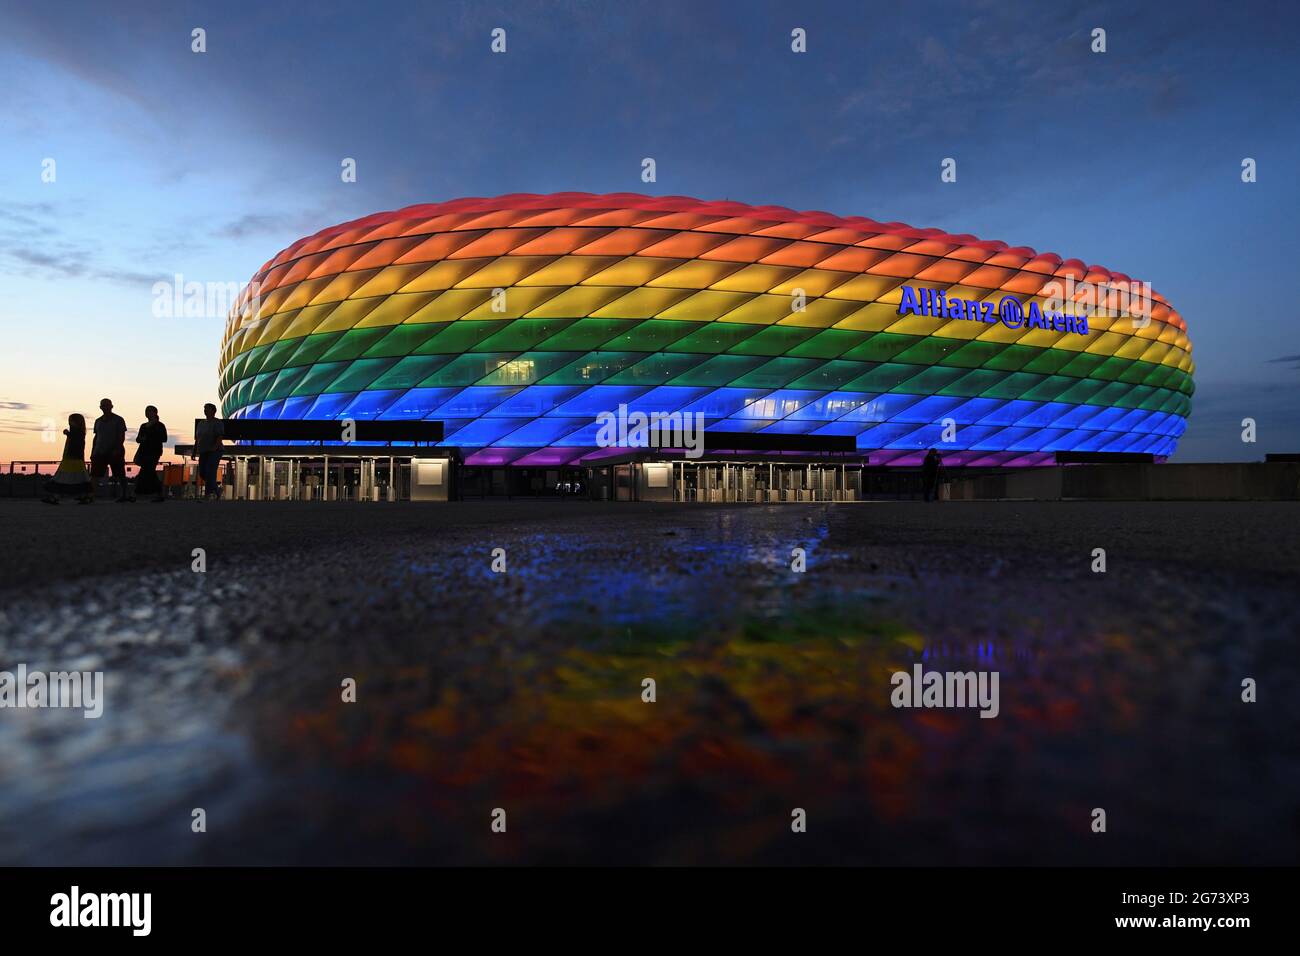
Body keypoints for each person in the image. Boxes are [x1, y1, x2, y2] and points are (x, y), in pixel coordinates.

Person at [42, 414, 93, 504]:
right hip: (74, 459)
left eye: (72, 420)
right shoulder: (79, 432)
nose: (70, 422)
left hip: (72, 459)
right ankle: (83, 496)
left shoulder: (77, 433)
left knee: (62, 478)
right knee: (78, 478)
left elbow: (75, 441)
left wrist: (68, 433)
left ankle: (55, 497)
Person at [91, 398, 128, 502]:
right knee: (94, 474)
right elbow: (96, 437)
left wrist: (117, 449)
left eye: (107, 405)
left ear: (111, 406)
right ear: (100, 407)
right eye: (103, 405)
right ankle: (91, 495)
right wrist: (93, 451)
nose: (105, 407)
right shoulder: (98, 421)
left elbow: (121, 436)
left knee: (120, 474)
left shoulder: (119, 420)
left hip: (115, 452)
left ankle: (124, 495)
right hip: (99, 451)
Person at [132, 406, 168, 502]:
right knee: (149, 472)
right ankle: (157, 493)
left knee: (147, 471)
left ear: (155, 413)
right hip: (144, 451)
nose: (147, 413)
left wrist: (151, 437)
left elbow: (164, 438)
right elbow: (138, 439)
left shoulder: (160, 425)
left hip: (154, 452)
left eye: (149, 411)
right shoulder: (143, 426)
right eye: (146, 411)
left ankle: (136, 493)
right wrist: (142, 439)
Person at [192, 403, 225, 500]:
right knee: (202, 472)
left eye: (207, 409)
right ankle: (216, 489)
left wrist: (215, 447)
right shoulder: (201, 424)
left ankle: (208, 494)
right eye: (204, 409)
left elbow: (219, 436)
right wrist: (194, 451)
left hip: (215, 451)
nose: (205, 410)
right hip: (203, 450)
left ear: (213, 411)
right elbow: (197, 439)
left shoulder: (217, 423)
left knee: (210, 471)